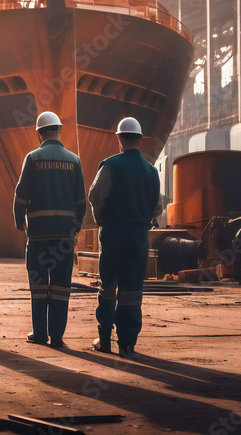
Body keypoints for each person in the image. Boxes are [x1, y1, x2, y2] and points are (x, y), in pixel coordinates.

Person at [87, 117, 160, 357]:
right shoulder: (151, 171)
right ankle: (127, 344)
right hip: (138, 238)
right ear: (140, 139)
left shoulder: (110, 165)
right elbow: (157, 208)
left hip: (113, 236)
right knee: (132, 291)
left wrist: (101, 220)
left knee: (108, 287)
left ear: (119, 139)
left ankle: (105, 338)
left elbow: (95, 197)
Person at [13, 111, 86, 348]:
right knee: (61, 286)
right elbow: (81, 202)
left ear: (39, 133)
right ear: (59, 130)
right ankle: (57, 336)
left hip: (38, 235)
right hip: (64, 236)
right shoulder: (74, 160)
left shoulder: (32, 158)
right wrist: (74, 229)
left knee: (38, 285)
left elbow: (21, 196)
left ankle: (40, 333)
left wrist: (18, 220)